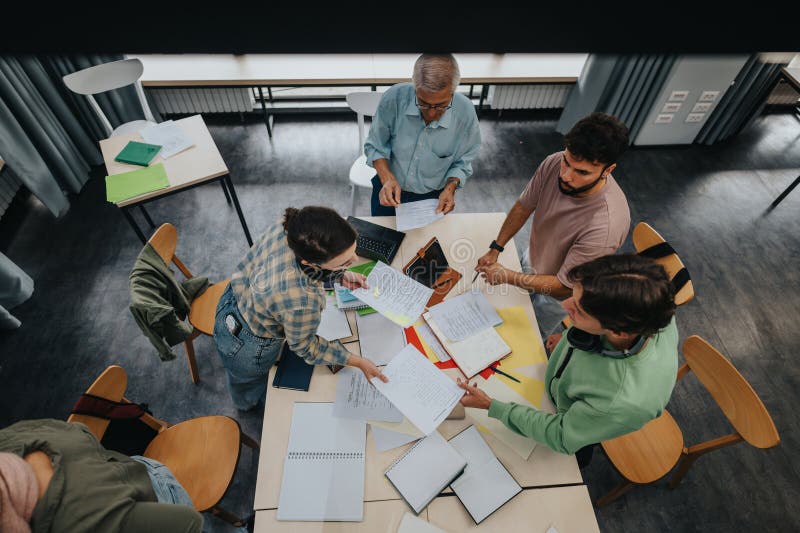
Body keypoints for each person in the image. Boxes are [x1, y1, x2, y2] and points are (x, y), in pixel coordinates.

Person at [458, 254, 678, 467]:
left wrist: (492, 406)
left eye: (579, 310)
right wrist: (567, 335)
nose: (564, 306)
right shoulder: (649, 306)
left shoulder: (619, 402)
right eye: (573, 294)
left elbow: (560, 434)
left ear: (619, 332)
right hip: (555, 389)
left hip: (569, 425)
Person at [214, 206, 388, 411]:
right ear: (310, 263)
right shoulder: (303, 301)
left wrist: (339, 274)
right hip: (248, 344)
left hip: (233, 296)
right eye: (345, 262)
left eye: (353, 252)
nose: (356, 261)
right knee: (247, 384)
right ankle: (246, 405)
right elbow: (305, 346)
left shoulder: (294, 229)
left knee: (240, 375)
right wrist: (357, 361)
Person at [475, 112, 631, 335]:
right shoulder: (554, 162)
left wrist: (507, 276)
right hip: (534, 258)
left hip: (559, 294)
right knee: (506, 317)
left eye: (582, 172)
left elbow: (564, 287)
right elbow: (524, 206)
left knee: (529, 335)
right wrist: (496, 247)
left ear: (608, 170)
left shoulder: (606, 225)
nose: (566, 175)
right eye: (567, 162)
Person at [0, 419, 203, 533]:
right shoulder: (7, 439)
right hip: (133, 468)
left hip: (158, 499)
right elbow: (81, 429)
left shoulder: (81, 519)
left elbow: (189, 524)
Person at [364, 53, 481, 216]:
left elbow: (463, 162)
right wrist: (387, 178)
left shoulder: (465, 113)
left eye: (441, 105)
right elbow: (375, 146)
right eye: (423, 103)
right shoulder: (394, 98)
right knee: (381, 232)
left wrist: (451, 188)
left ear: (453, 92)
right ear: (414, 86)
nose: (431, 114)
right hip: (388, 186)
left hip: (433, 196)